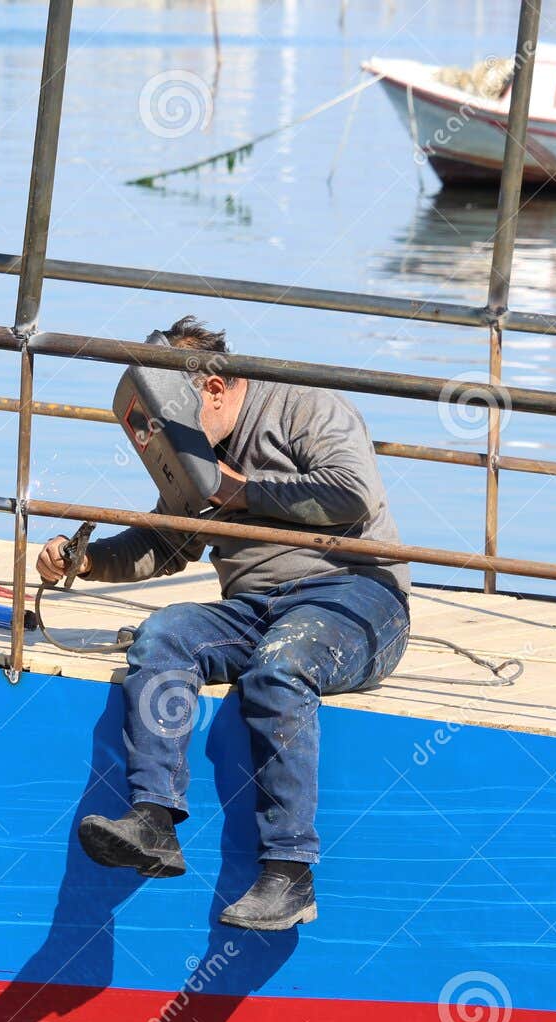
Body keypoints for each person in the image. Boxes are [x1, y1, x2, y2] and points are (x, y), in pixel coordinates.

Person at [36, 317, 410, 931]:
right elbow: (168, 544)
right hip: (256, 605)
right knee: (163, 636)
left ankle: (290, 873)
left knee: (279, 670)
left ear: (212, 388)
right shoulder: (198, 454)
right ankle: (153, 820)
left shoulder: (303, 403)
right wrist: (84, 559)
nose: (173, 438)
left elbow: (352, 496)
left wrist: (238, 489)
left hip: (356, 596)